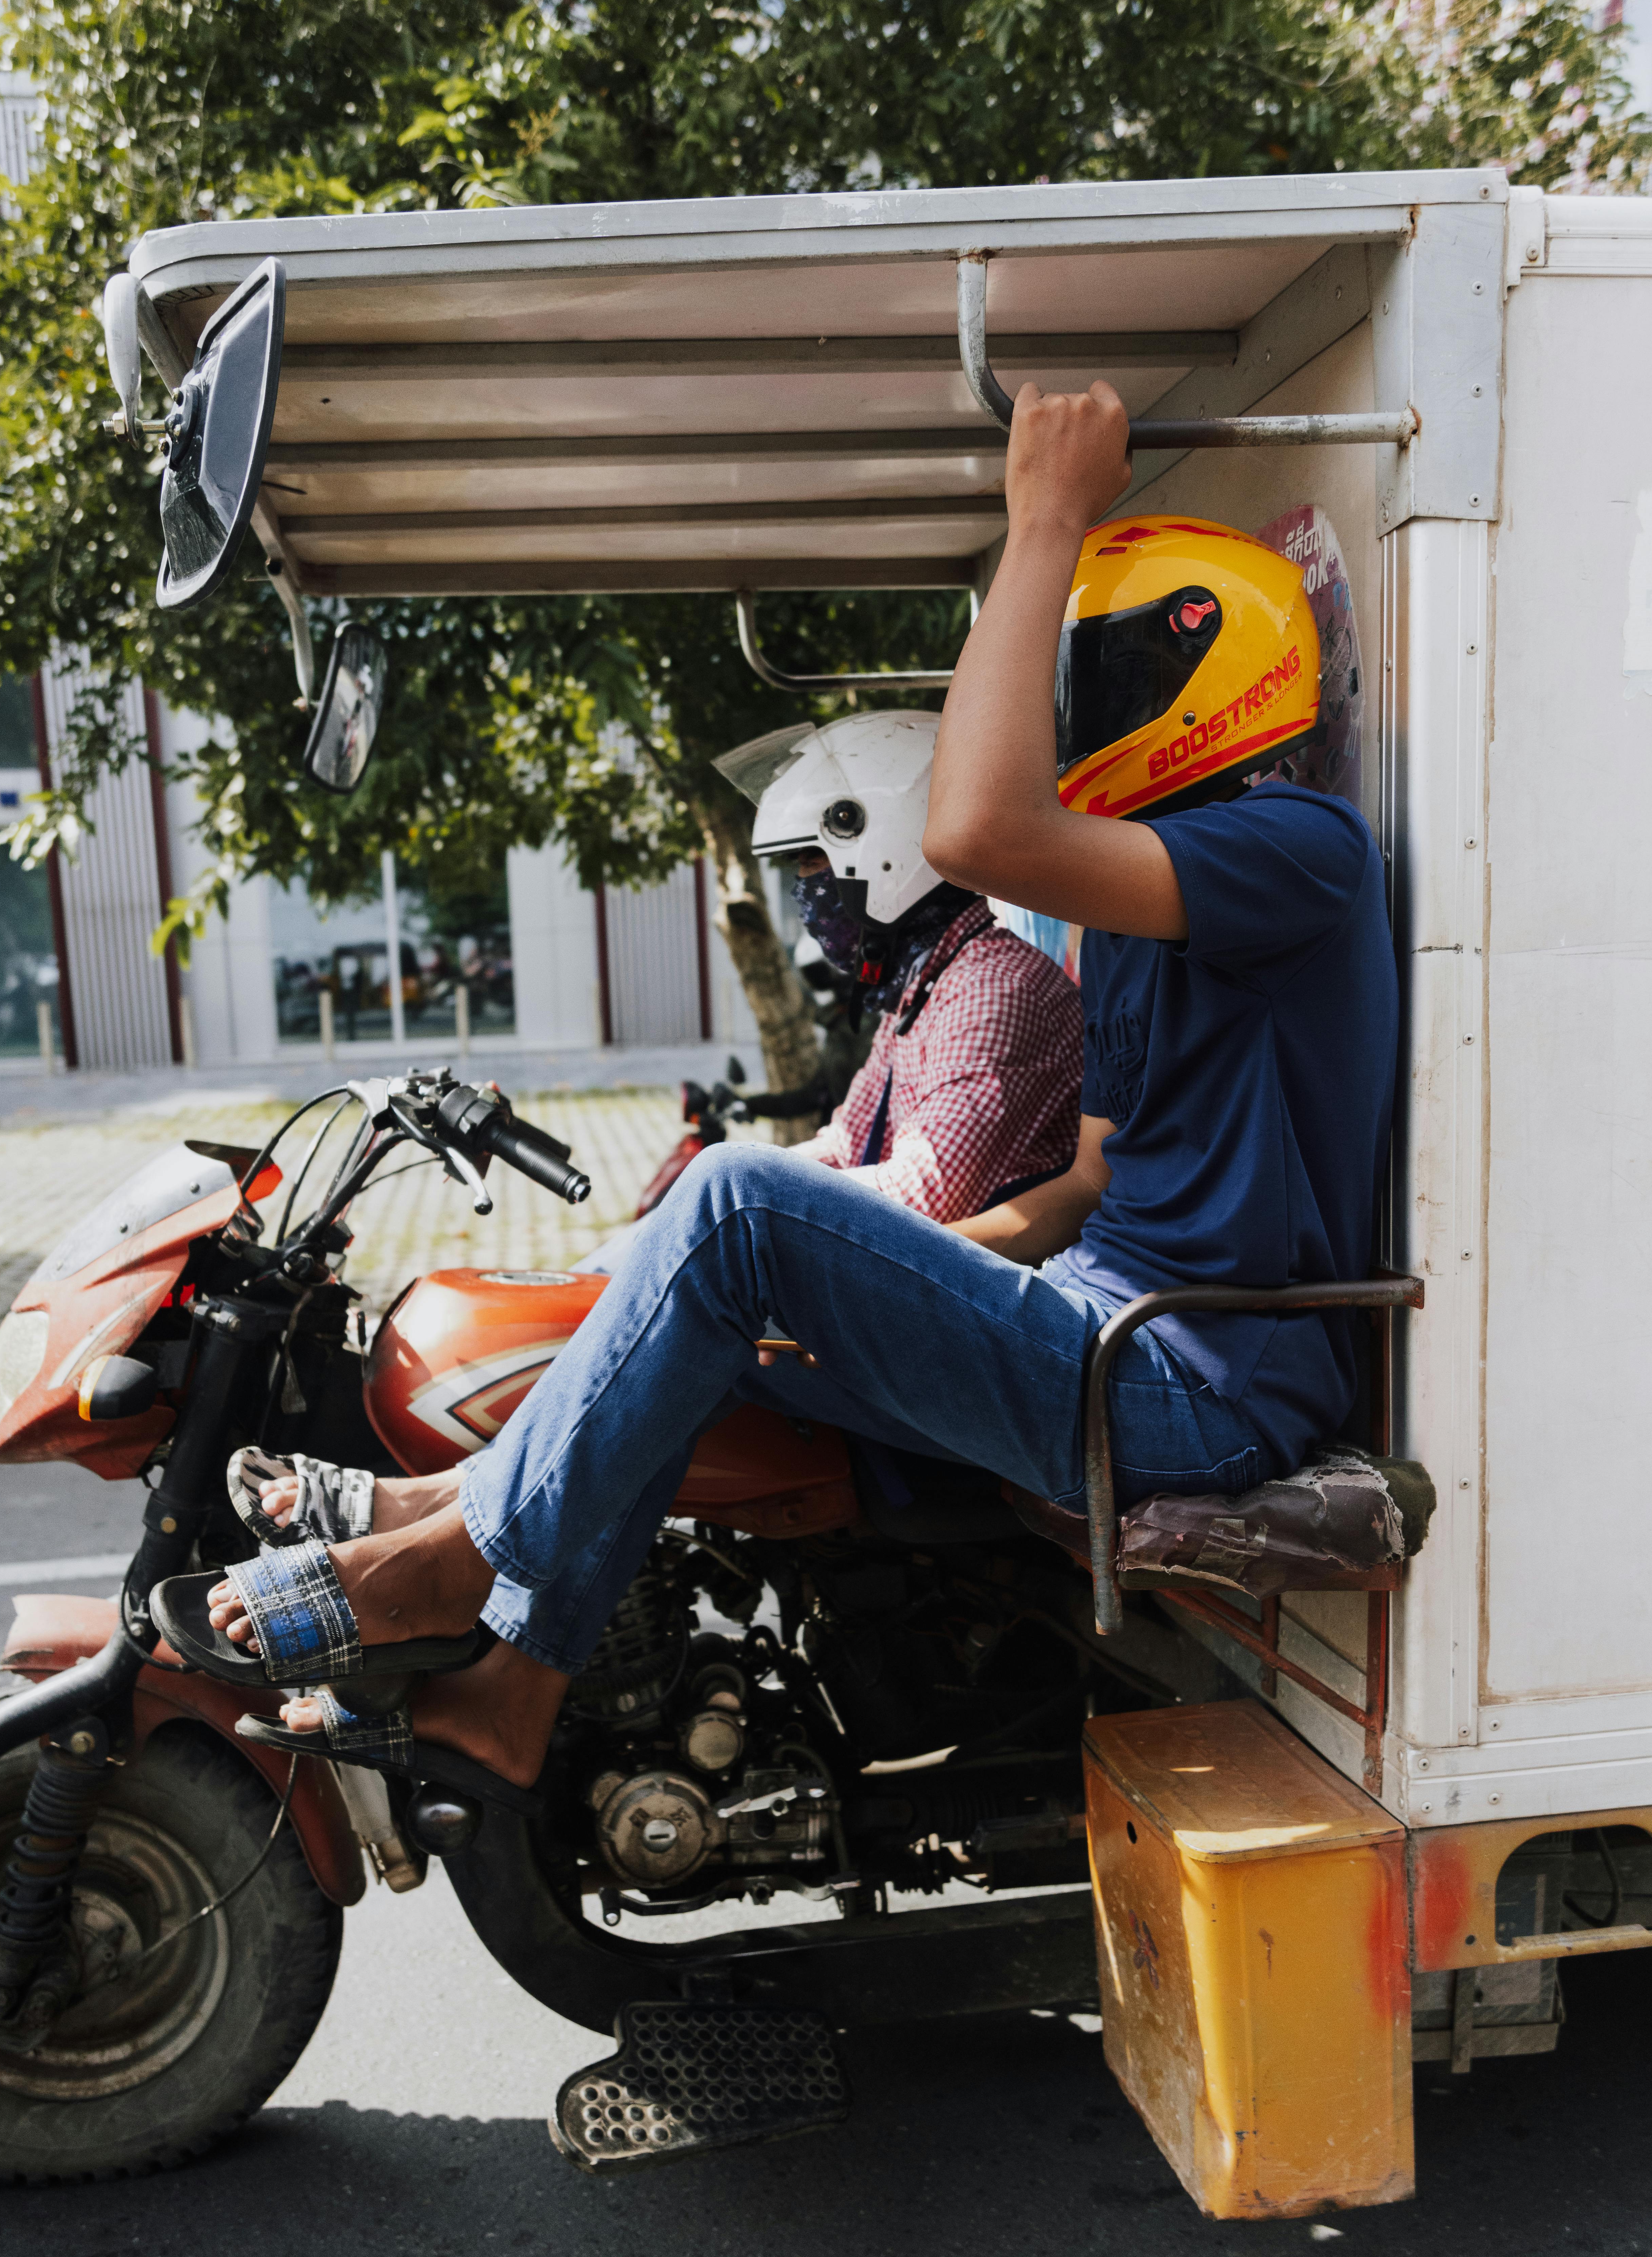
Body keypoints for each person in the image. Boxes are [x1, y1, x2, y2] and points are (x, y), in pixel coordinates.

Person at [176, 380, 1397, 1809]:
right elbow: (1086, 1188)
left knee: (733, 1205)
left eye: (1094, 685)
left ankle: (457, 1550)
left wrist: (1047, 517)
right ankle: (511, 1685)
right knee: (709, 1314)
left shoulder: (1293, 848)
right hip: (1103, 1332)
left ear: (1211, 673)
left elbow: (973, 824)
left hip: (1197, 1386)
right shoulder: (1138, 908)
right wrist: (904, 1270)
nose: (1064, 728)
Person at [733, 708, 1083, 1223]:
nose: (805, 889)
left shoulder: (993, 989)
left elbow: (923, 1200)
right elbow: (848, 1142)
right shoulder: (925, 984)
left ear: (884, 850)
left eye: (812, 861)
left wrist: (754, 1197)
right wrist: (733, 1180)